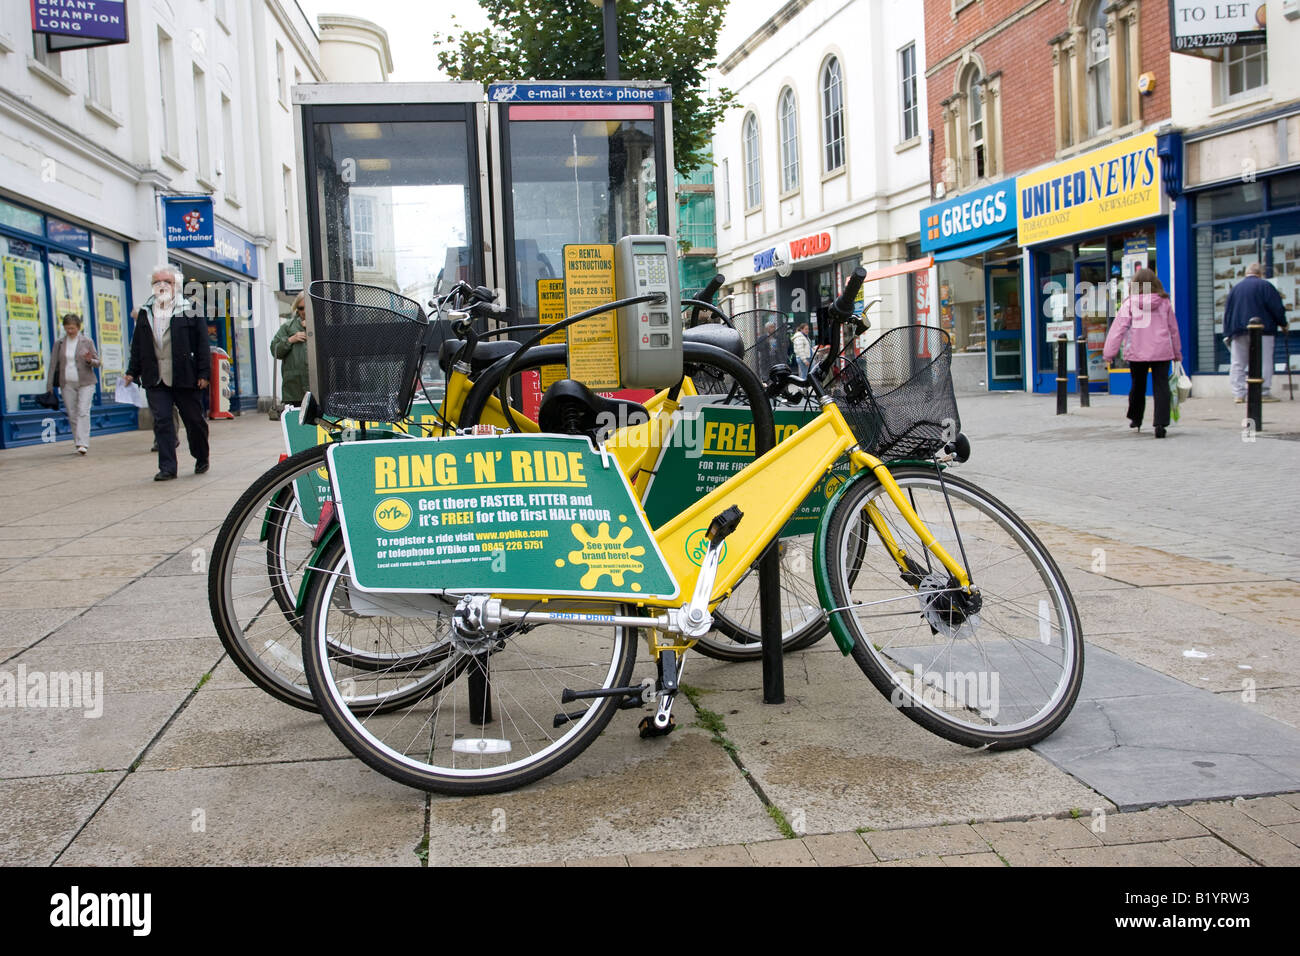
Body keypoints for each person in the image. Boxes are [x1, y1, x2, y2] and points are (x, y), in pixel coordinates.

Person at [124, 263, 211, 480]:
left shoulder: (189, 309)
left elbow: (202, 344)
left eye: (167, 282)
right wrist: (132, 372)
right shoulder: (144, 312)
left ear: (176, 286)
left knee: (194, 421)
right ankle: (167, 467)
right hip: (156, 377)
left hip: (185, 376)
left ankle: (201, 456)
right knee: (162, 421)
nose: (162, 286)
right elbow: (138, 344)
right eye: (157, 282)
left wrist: (204, 374)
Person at [1103, 268, 1182, 439]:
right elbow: (1173, 329)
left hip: (1137, 351)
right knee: (1161, 386)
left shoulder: (1129, 304)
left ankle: (1136, 418)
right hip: (1162, 351)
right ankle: (1160, 424)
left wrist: (1109, 354)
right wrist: (1177, 352)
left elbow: (1118, 330)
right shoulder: (1164, 302)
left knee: (1138, 386)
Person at [1223, 262, 1287, 403]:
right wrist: (1283, 323)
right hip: (1263, 330)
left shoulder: (1235, 289)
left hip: (1238, 330)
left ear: (1246, 273)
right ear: (1260, 273)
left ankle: (1239, 393)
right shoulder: (1266, 286)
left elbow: (1228, 312)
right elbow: (1276, 307)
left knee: (1238, 362)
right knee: (1264, 361)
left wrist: (1227, 332)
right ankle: (1263, 392)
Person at [46, 313, 100, 455]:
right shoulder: (59, 343)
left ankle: (83, 443)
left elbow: (98, 362)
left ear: (78, 327)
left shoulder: (87, 341)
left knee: (83, 410)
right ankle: (78, 441)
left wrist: (90, 360)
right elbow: (53, 365)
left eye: (72, 328)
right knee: (72, 413)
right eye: (67, 328)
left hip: (86, 382)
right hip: (67, 383)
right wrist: (49, 386)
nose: (70, 331)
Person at [270, 291, 309, 405]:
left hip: (318, 386)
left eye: (308, 307)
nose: (305, 312)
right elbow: (275, 350)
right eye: (301, 308)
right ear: (297, 308)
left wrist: (312, 330)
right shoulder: (288, 327)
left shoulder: (322, 323)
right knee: (296, 420)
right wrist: (290, 340)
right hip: (294, 388)